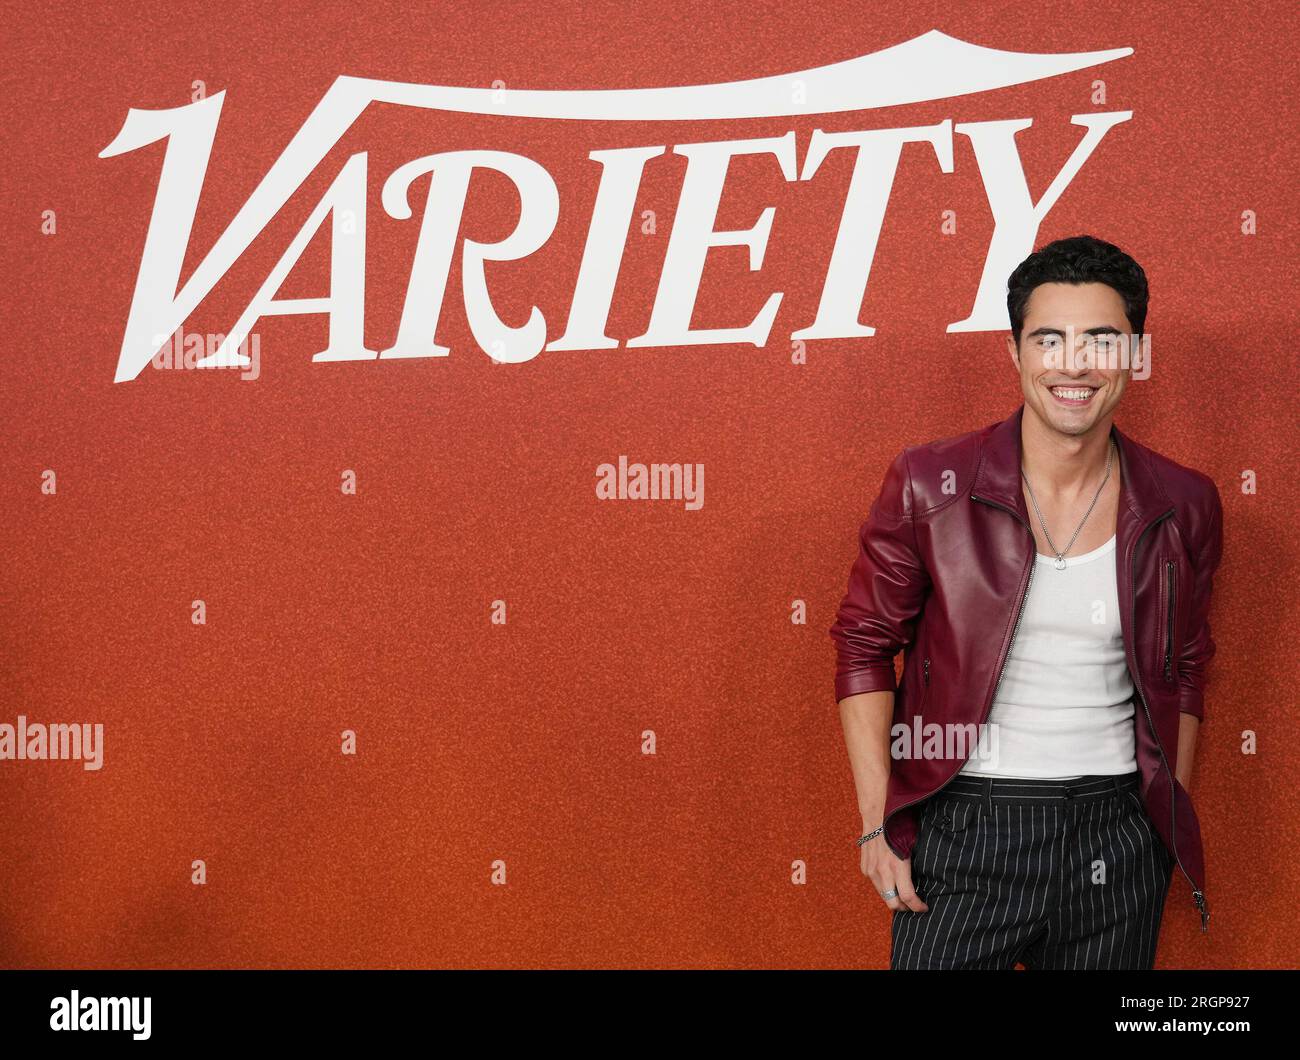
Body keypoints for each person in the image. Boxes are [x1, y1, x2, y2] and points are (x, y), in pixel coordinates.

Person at [830, 234, 1224, 969]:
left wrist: (1162, 821)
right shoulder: (929, 483)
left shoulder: (1184, 501)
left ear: (1135, 355)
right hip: (964, 822)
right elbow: (863, 645)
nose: (1073, 363)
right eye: (1049, 338)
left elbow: (1188, 664)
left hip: (1117, 831)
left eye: (1101, 340)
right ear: (1015, 354)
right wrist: (875, 824)